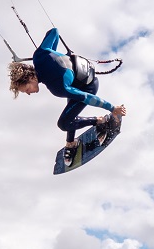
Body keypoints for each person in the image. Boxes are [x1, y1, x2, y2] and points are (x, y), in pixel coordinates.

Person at [9, 28, 126, 166]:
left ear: (30, 77)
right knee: (69, 116)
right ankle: (70, 143)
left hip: (88, 86)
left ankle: (100, 121)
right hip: (76, 81)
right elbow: (54, 32)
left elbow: (87, 97)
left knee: (63, 123)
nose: (28, 93)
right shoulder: (39, 55)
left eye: (26, 89)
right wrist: (55, 54)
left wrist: (112, 108)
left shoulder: (57, 87)